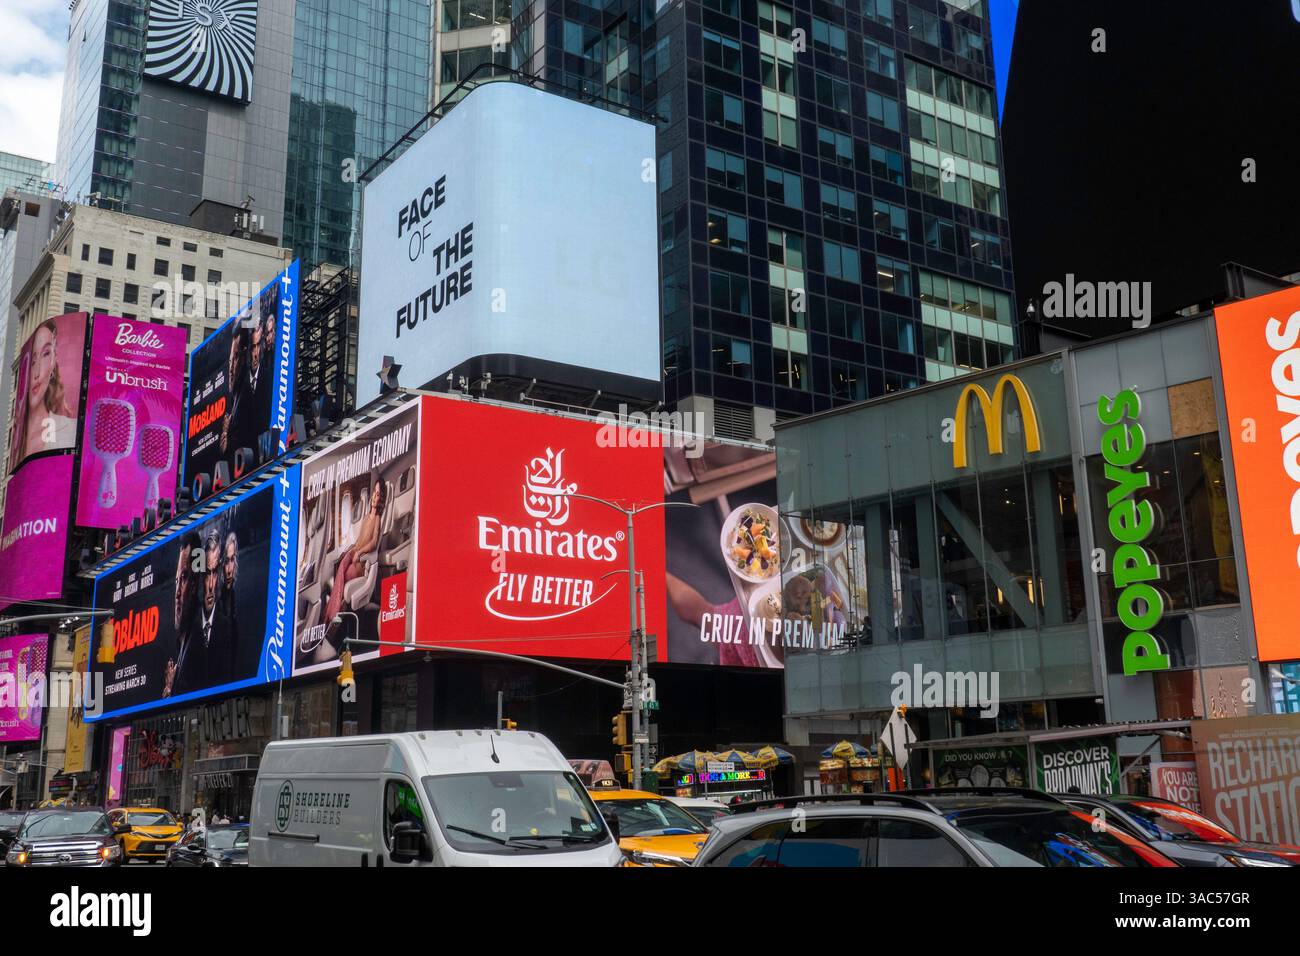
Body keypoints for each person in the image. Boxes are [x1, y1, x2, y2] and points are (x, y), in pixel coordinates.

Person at [9, 318, 77, 469]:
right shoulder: (15, 441)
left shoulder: (70, 429)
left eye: (46, 354)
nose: (37, 373)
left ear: (53, 363)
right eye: (32, 361)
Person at [323, 477, 387, 633]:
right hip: (355, 556)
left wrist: (359, 552)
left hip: (362, 562)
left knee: (346, 573)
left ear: (381, 499)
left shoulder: (377, 519)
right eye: (374, 492)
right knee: (342, 564)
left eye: (378, 494)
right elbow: (359, 539)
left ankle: (333, 612)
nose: (375, 496)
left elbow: (373, 542)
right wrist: (352, 548)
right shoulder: (366, 517)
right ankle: (335, 611)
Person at [165, 531, 204, 698]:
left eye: (184, 578)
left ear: (195, 584)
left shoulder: (200, 639)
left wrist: (171, 690)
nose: (177, 593)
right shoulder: (183, 640)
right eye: (176, 581)